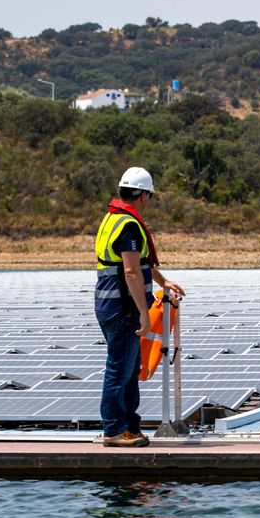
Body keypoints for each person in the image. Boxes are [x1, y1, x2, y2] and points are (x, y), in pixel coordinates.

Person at [94, 167, 185, 447]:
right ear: (143, 195)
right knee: (120, 369)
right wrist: (145, 315)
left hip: (111, 304)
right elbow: (132, 272)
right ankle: (114, 429)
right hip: (123, 308)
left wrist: (164, 280)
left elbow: (141, 264)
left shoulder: (112, 218)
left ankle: (129, 427)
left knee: (130, 369)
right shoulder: (129, 226)